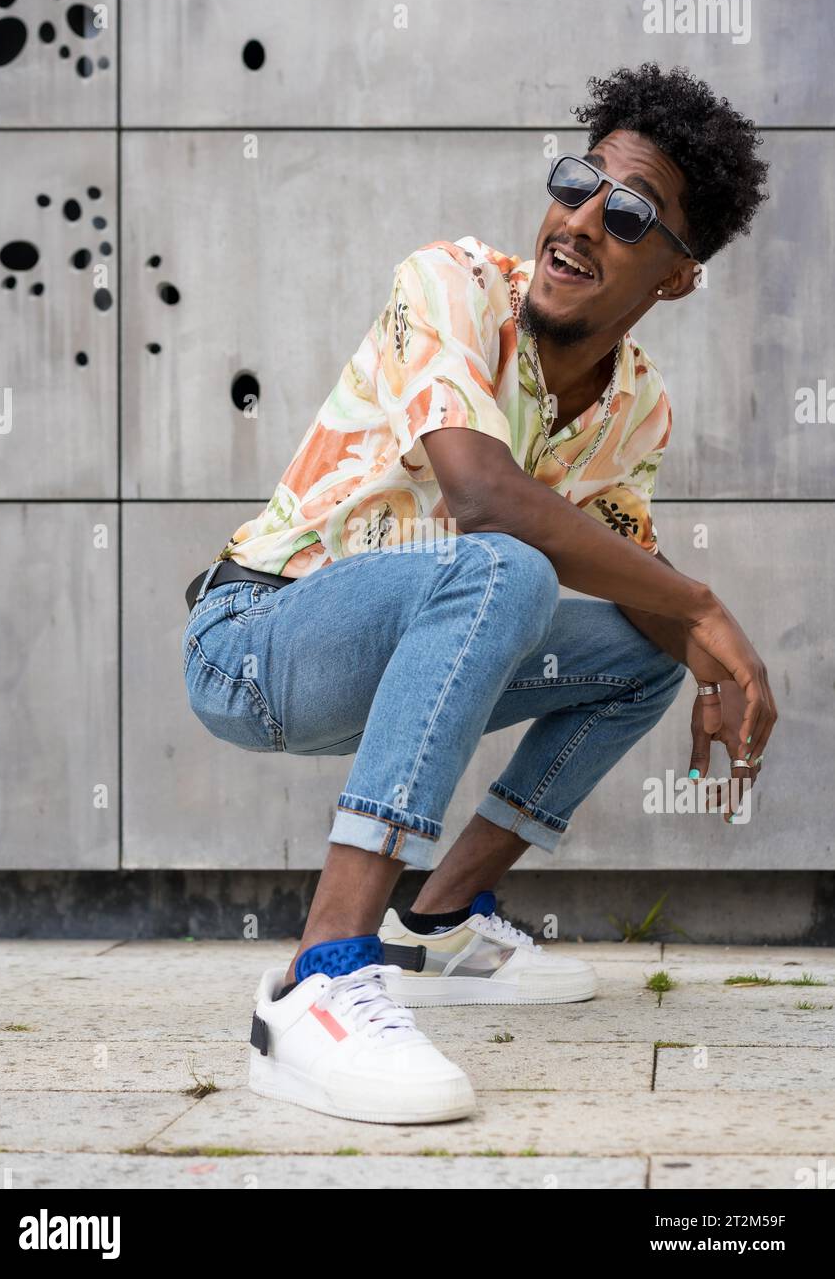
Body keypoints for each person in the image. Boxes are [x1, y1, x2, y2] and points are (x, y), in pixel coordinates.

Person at [181, 62, 777, 1124]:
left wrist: (703, 645)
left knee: (639, 648)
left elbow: (631, 576)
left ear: (675, 275)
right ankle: (317, 978)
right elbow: (481, 495)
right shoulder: (450, 283)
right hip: (255, 640)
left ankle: (438, 917)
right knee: (512, 562)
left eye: (628, 211)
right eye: (574, 182)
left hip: (403, 656)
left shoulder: (636, 406)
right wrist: (696, 606)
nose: (581, 218)